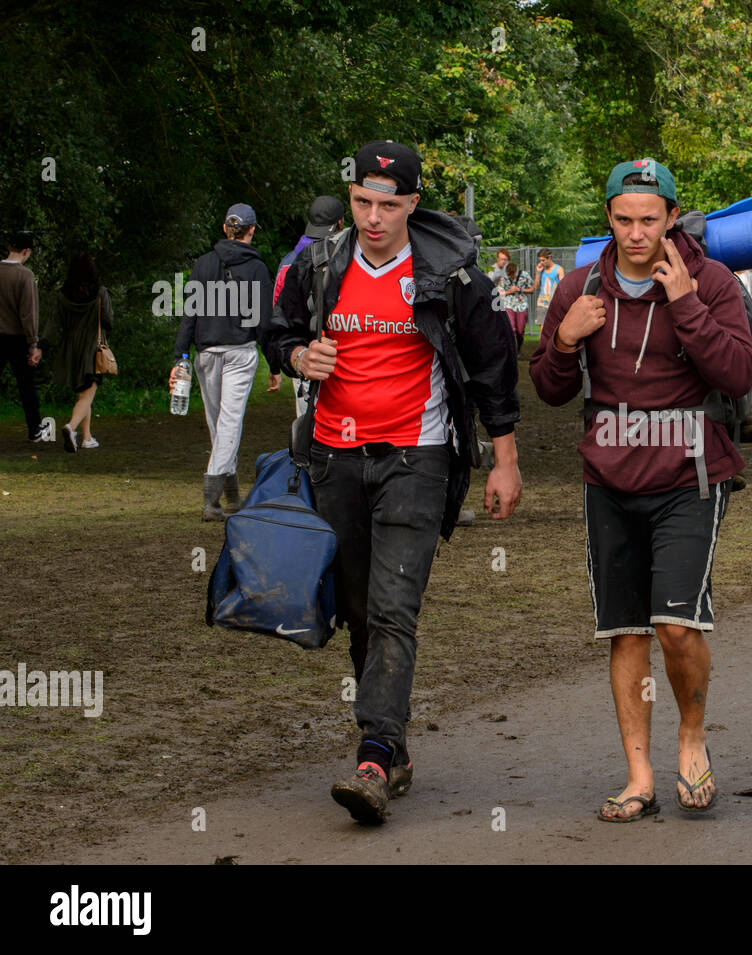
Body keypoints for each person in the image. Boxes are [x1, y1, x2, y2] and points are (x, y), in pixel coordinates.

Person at [267, 140, 522, 824]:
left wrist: (505, 457)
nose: (374, 218)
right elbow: (277, 330)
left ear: (412, 203)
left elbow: (492, 361)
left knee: (392, 607)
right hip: (334, 458)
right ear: (349, 200)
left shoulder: (452, 274)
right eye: (362, 203)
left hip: (418, 456)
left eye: (389, 204)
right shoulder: (319, 263)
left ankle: (375, 754)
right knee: (356, 605)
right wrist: (298, 354)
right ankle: (393, 747)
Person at [529, 158, 752, 821]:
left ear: (672, 216)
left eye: (649, 220)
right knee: (627, 631)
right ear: (608, 217)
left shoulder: (709, 281)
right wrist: (566, 341)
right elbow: (549, 387)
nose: (635, 233)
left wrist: (684, 301)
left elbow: (739, 373)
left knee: (677, 627)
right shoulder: (578, 286)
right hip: (609, 477)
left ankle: (691, 736)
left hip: (689, 473)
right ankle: (638, 775)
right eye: (624, 219)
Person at [170, 203, 279, 520]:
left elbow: (189, 312)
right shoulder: (257, 268)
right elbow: (263, 321)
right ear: (252, 230)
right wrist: (273, 362)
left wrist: (180, 355)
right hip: (240, 352)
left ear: (224, 229)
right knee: (229, 424)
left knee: (218, 425)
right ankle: (211, 500)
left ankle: (230, 497)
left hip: (206, 352)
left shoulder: (203, 264)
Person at [274, 195, 346, 418]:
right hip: (334, 356)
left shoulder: (288, 260)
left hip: (300, 355)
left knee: (305, 420)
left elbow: (278, 313)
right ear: (341, 223)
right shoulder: (346, 258)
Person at [51, 252, 113, 451]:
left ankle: (87, 438)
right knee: (88, 395)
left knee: (84, 394)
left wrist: (42, 344)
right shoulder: (100, 293)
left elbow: (54, 322)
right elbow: (108, 319)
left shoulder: (63, 294)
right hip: (92, 348)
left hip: (70, 349)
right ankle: (71, 427)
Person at [0, 231, 43, 441]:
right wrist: (33, 342)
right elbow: (28, 312)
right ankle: (35, 429)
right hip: (17, 338)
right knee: (26, 385)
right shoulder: (25, 275)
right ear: (26, 251)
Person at [533, 248, 564, 328]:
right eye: (540, 260)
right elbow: (536, 286)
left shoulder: (559, 269)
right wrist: (538, 272)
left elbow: (563, 287)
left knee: (554, 327)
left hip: (554, 303)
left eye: (543, 260)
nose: (541, 263)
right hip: (542, 303)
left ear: (549, 258)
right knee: (542, 328)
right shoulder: (541, 269)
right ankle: (542, 341)